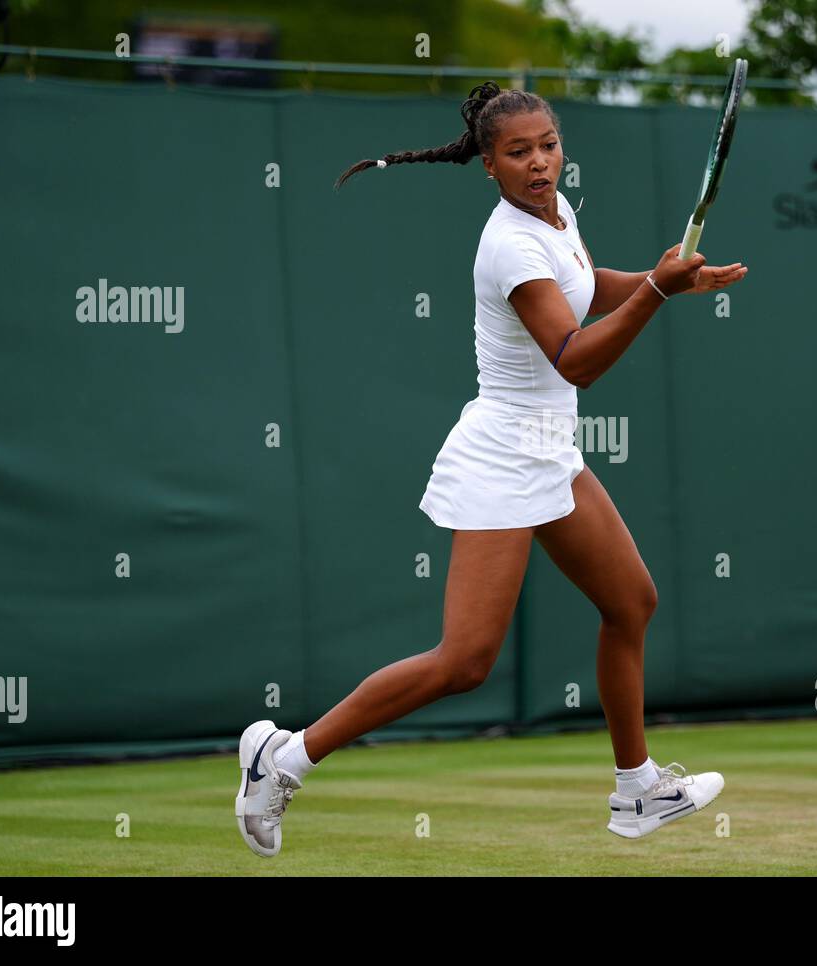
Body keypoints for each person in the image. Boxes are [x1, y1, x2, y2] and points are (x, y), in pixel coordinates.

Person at [235, 81, 749, 857]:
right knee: (465, 662)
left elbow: (580, 290)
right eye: (518, 152)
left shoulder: (557, 215)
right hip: (506, 456)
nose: (538, 162)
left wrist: (658, 282)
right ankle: (284, 757)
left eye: (547, 144)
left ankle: (637, 789)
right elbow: (575, 359)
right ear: (488, 164)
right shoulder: (508, 242)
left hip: (551, 452)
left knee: (631, 603)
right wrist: (652, 292)